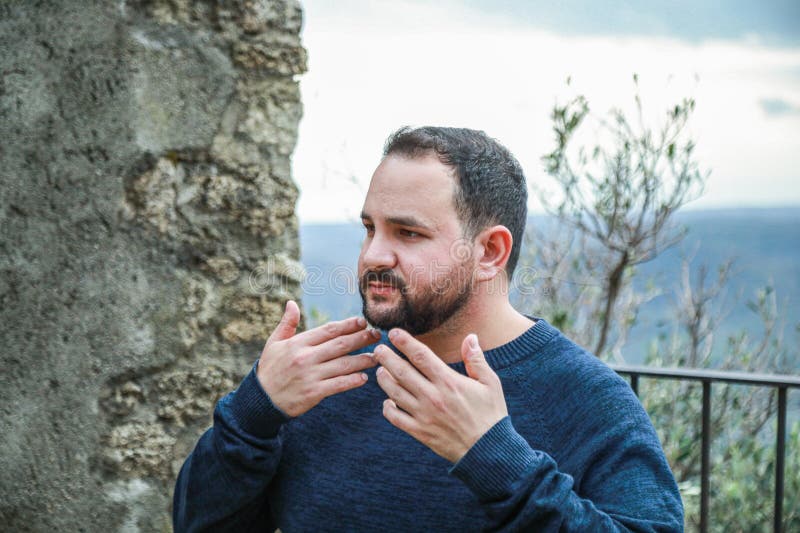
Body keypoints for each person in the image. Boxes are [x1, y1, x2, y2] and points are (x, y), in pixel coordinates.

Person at [173, 127, 684, 532]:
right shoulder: (322, 378)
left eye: (408, 233)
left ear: (490, 252)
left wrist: (496, 460)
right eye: (370, 228)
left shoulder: (589, 399)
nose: (373, 255)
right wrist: (253, 412)